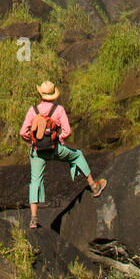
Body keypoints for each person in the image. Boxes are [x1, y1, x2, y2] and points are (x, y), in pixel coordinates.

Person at [19, 80, 107, 229]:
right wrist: (59, 139)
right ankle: (94, 186)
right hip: (55, 149)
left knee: (35, 180)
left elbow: (23, 133)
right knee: (78, 155)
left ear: (40, 94)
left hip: (38, 152)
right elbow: (67, 131)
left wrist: (30, 144)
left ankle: (33, 219)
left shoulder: (32, 110)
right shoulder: (58, 110)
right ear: (53, 96)